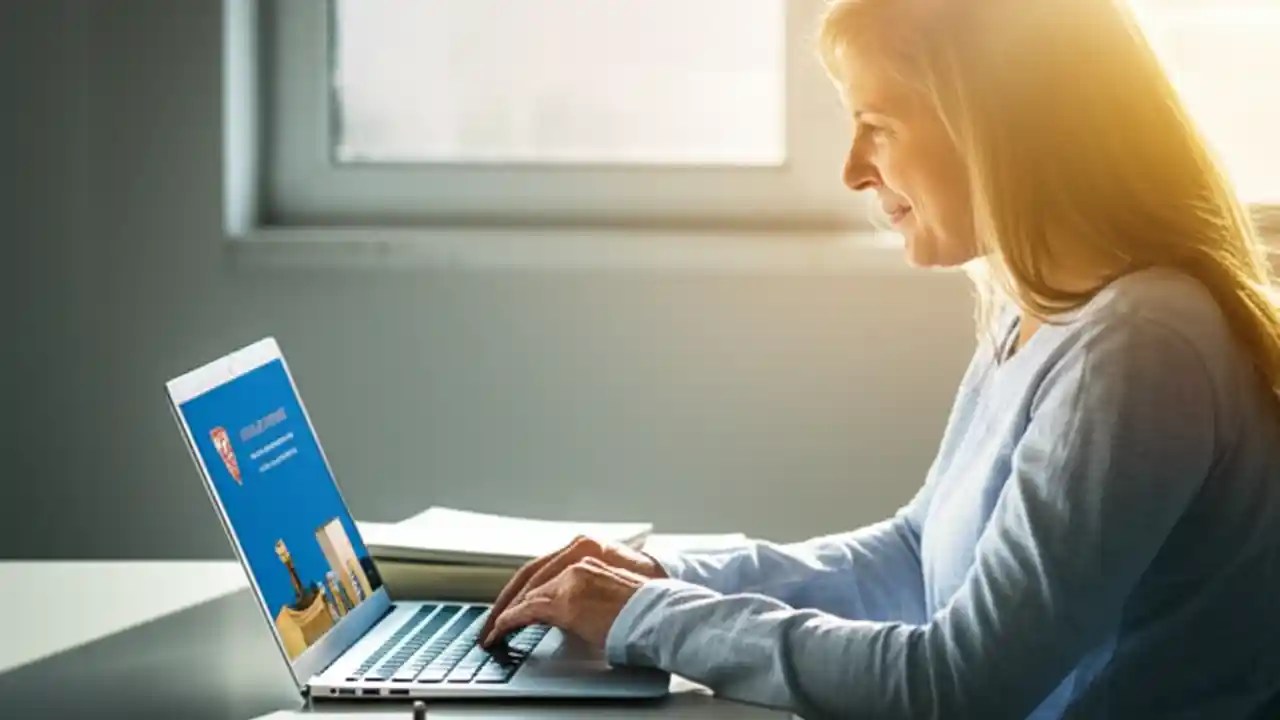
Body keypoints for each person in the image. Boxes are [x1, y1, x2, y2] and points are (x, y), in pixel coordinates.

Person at [479, 0, 1280, 716]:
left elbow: (958, 684)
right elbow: (913, 555)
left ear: (997, 124)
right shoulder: (1043, 313)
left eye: (879, 123)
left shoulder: (1142, 347)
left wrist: (651, 619)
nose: (853, 169)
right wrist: (662, 572)